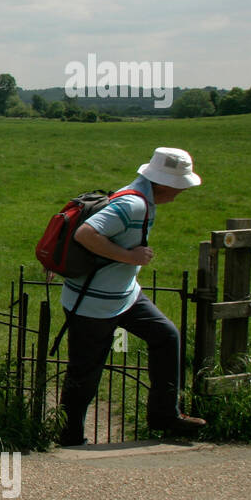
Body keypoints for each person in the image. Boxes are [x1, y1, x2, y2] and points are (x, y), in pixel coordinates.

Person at [57, 147, 207, 446]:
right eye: (180, 187)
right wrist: (129, 257)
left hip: (123, 296)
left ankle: (165, 415)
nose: (180, 194)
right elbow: (85, 234)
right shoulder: (133, 204)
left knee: (166, 336)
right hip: (94, 303)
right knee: (85, 372)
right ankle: (69, 437)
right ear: (164, 184)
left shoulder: (142, 198)